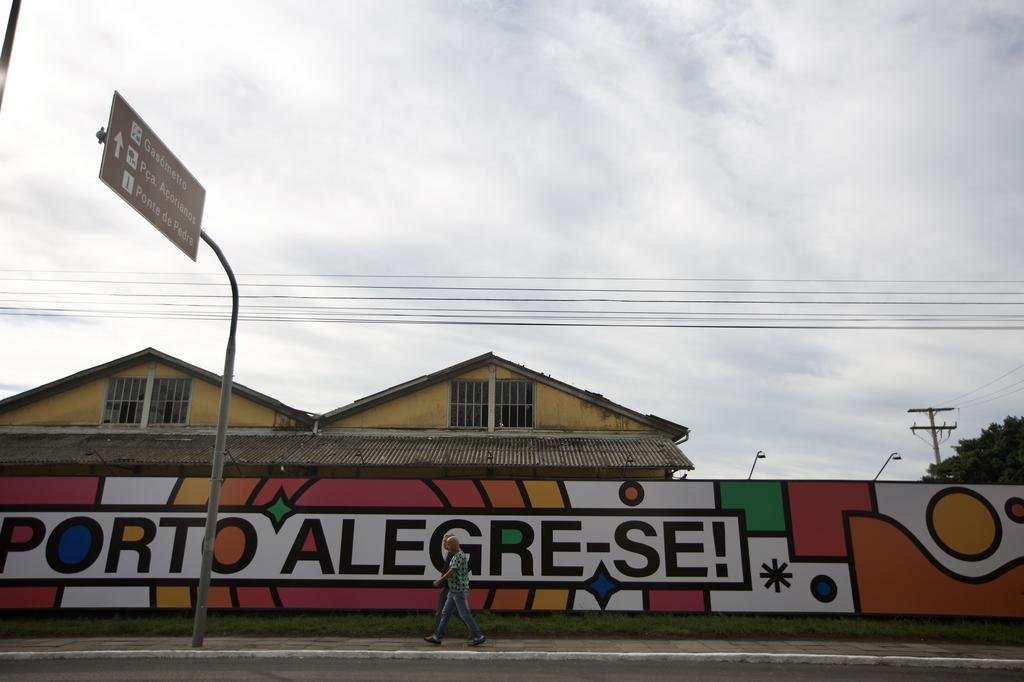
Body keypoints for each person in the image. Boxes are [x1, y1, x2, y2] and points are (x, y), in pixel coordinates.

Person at [424, 535, 485, 646]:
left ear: (453, 545)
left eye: (447, 544)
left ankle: (478, 636)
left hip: (458, 591)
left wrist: (439, 581)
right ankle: (438, 637)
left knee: (465, 614)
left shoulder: (458, 556)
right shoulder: (458, 554)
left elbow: (451, 571)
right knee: (445, 613)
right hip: (453, 590)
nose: (446, 546)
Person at [434, 533, 463, 633]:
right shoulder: (451, 553)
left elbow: (451, 571)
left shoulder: (454, 554)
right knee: (457, 611)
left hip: (450, 586)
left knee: (440, 611)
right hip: (451, 586)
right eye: (444, 541)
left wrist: (440, 581)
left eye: (446, 542)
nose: (444, 544)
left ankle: (437, 634)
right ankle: (473, 630)